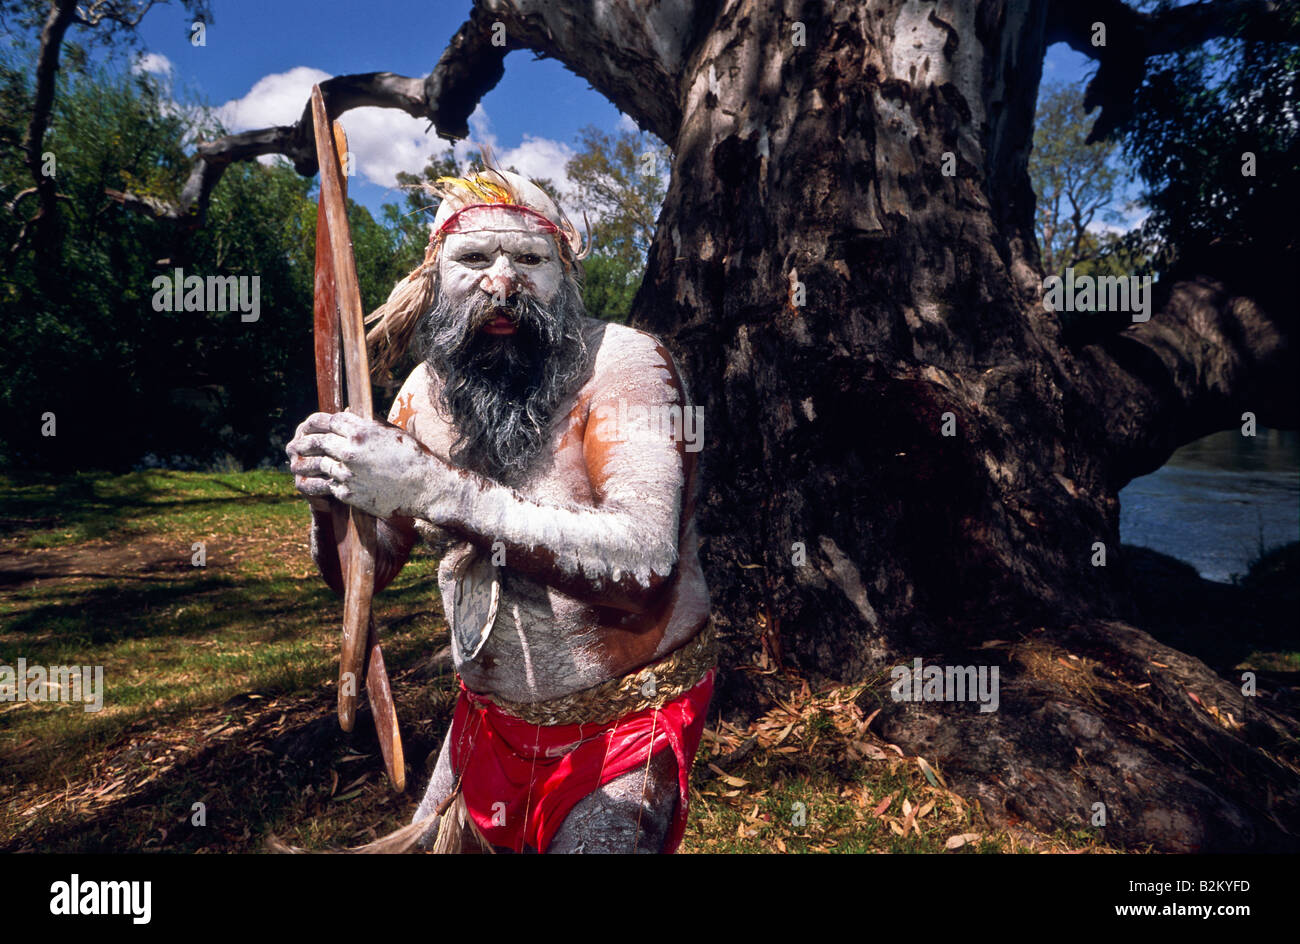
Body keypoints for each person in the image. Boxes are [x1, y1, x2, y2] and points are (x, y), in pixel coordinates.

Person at [286, 159, 713, 853]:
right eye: (475, 257)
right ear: (435, 280)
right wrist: (332, 501)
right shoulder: (425, 393)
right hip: (487, 723)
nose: (502, 282)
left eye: (529, 258)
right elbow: (363, 575)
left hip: (626, 727)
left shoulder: (626, 366)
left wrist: (435, 488)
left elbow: (643, 564)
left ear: (563, 277)